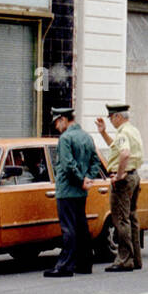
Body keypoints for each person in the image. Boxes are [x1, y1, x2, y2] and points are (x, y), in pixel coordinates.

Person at [45, 107, 98, 278]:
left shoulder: (65, 138)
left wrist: (80, 179)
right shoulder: (87, 137)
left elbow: (67, 165)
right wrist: (87, 178)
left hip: (67, 189)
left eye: (56, 123)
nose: (56, 127)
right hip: (81, 192)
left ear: (62, 119)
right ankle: (85, 264)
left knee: (68, 228)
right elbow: (95, 161)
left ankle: (65, 266)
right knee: (81, 227)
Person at [96, 103, 144, 273]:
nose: (110, 121)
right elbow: (116, 147)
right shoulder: (132, 130)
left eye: (111, 118)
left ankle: (124, 260)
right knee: (131, 218)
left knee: (121, 219)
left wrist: (119, 174)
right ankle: (135, 258)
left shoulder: (123, 132)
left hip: (123, 180)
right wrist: (103, 133)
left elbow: (124, 153)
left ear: (118, 116)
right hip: (134, 176)